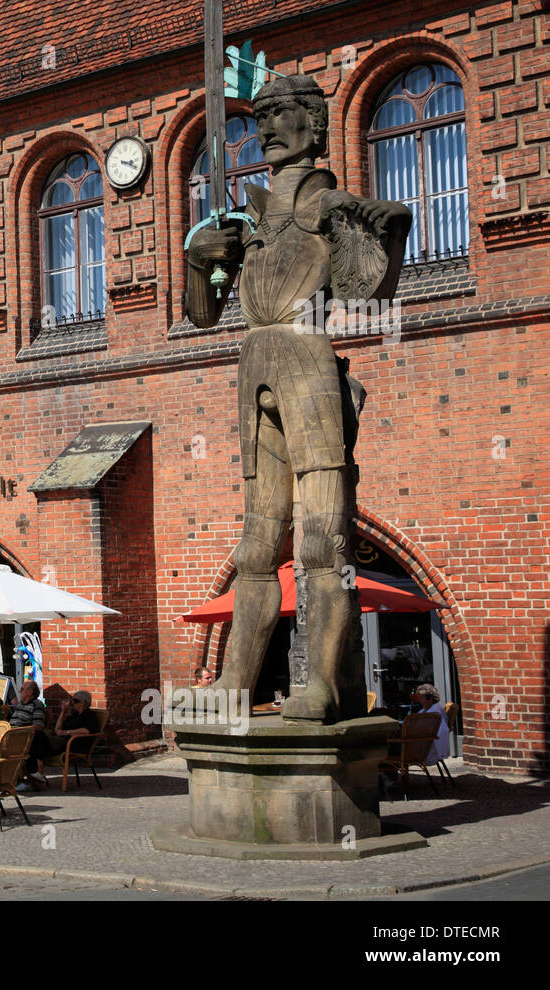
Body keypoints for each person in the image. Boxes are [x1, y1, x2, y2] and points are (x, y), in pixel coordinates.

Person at [185, 74, 411, 723]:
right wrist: (202, 261)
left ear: (314, 125)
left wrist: (390, 234)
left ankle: (321, 685)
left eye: (284, 113)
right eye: (262, 115)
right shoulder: (250, 218)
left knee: (323, 540)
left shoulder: (329, 206)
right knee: (257, 546)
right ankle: (233, 683)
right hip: (253, 359)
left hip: (309, 360)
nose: (268, 126)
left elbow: (372, 290)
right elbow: (202, 314)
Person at [25, 689, 99, 786]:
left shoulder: (89, 715)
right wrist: (63, 712)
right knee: (34, 739)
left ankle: (38, 769)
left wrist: (66, 732)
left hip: (72, 745)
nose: (73, 703)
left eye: (76, 701)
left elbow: (86, 730)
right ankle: (36, 772)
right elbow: (57, 729)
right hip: (61, 742)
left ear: (84, 703)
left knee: (37, 737)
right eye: (73, 700)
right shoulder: (74, 715)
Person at [7, 680, 48, 787]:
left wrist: (20, 730)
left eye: (22, 689)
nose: (20, 692)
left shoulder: (36, 704)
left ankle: (16, 780)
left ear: (30, 692)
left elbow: (38, 726)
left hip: (22, 738)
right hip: (12, 735)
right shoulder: (21, 704)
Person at [411, 683, 450, 766]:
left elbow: (441, 732)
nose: (420, 701)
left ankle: (390, 777)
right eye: (420, 698)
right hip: (422, 747)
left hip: (425, 752)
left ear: (430, 698)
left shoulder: (433, 714)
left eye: (422, 698)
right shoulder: (427, 711)